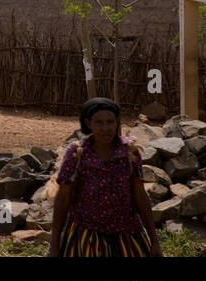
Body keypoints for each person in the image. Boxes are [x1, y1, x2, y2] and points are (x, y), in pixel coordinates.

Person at [49, 98, 162, 258]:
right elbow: (63, 198)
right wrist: (54, 245)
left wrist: (154, 241)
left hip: (126, 234)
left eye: (110, 122)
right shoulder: (77, 153)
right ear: (89, 123)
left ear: (117, 123)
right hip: (86, 234)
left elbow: (140, 195)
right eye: (99, 123)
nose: (105, 128)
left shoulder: (129, 152)